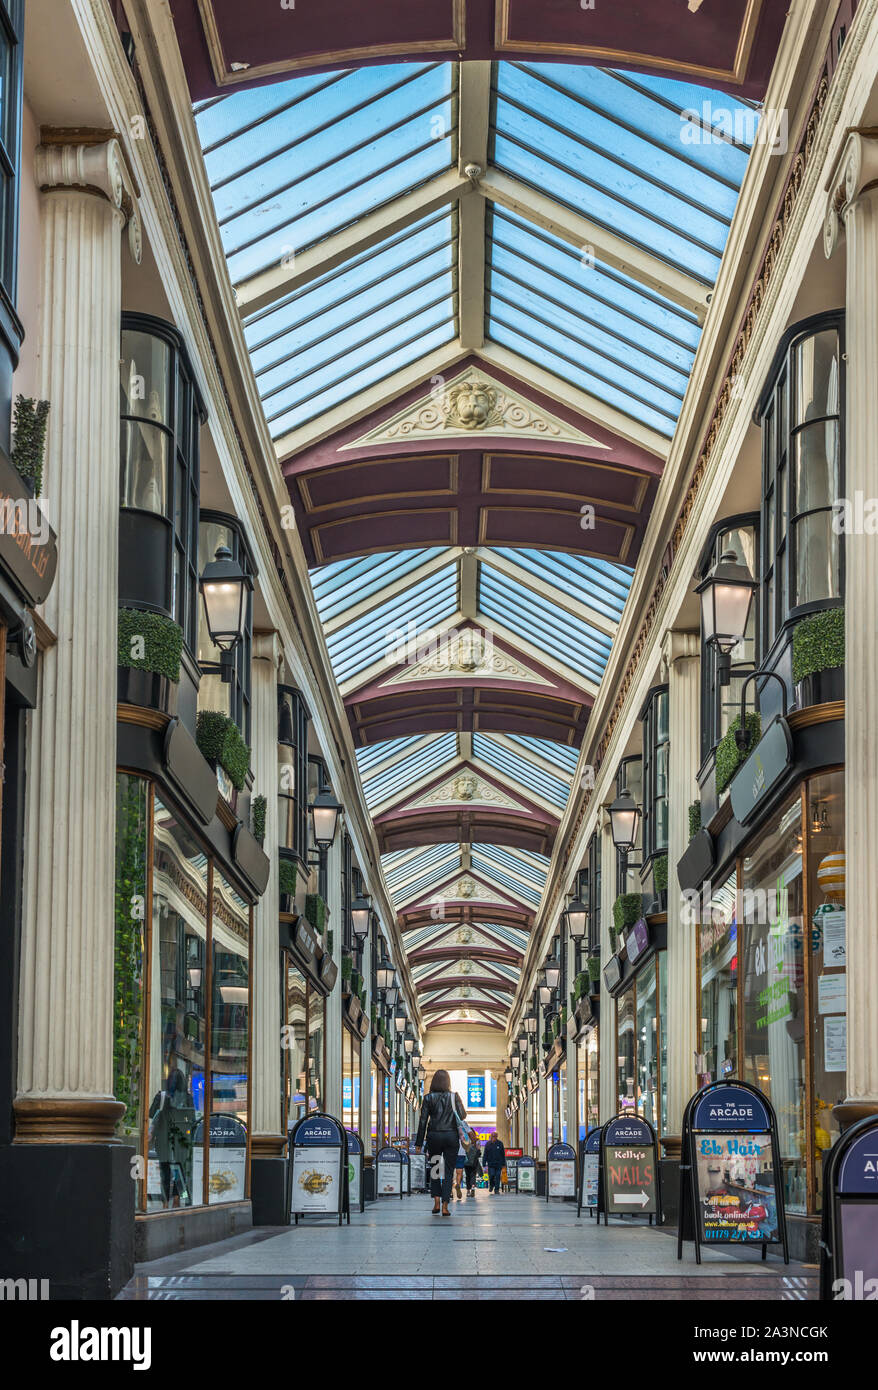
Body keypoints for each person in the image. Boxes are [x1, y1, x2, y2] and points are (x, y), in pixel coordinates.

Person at [414, 1070, 467, 1216]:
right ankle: (445, 1206)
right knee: (449, 1171)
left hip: (434, 1137)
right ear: (448, 1082)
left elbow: (423, 1121)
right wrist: (457, 1101)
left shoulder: (428, 1098)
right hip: (451, 1136)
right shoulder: (454, 1096)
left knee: (435, 1169)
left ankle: (436, 1201)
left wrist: (419, 1142)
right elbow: (463, 1115)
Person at [148, 1067, 197, 1208]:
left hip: (163, 1139)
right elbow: (192, 1119)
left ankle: (164, 1202)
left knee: (165, 1170)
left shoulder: (161, 1097)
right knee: (180, 1170)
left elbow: (152, 1114)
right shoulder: (188, 1098)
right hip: (181, 1140)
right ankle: (177, 1198)